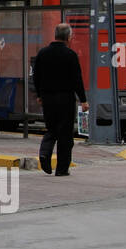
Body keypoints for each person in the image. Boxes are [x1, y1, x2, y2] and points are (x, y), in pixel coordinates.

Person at [32, 23, 88, 177]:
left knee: (51, 129)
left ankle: (44, 153)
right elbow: (77, 79)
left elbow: (36, 76)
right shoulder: (70, 55)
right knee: (65, 133)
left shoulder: (43, 53)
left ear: (55, 35)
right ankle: (62, 169)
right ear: (68, 37)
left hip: (47, 98)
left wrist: (39, 95)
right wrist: (83, 100)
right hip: (65, 99)